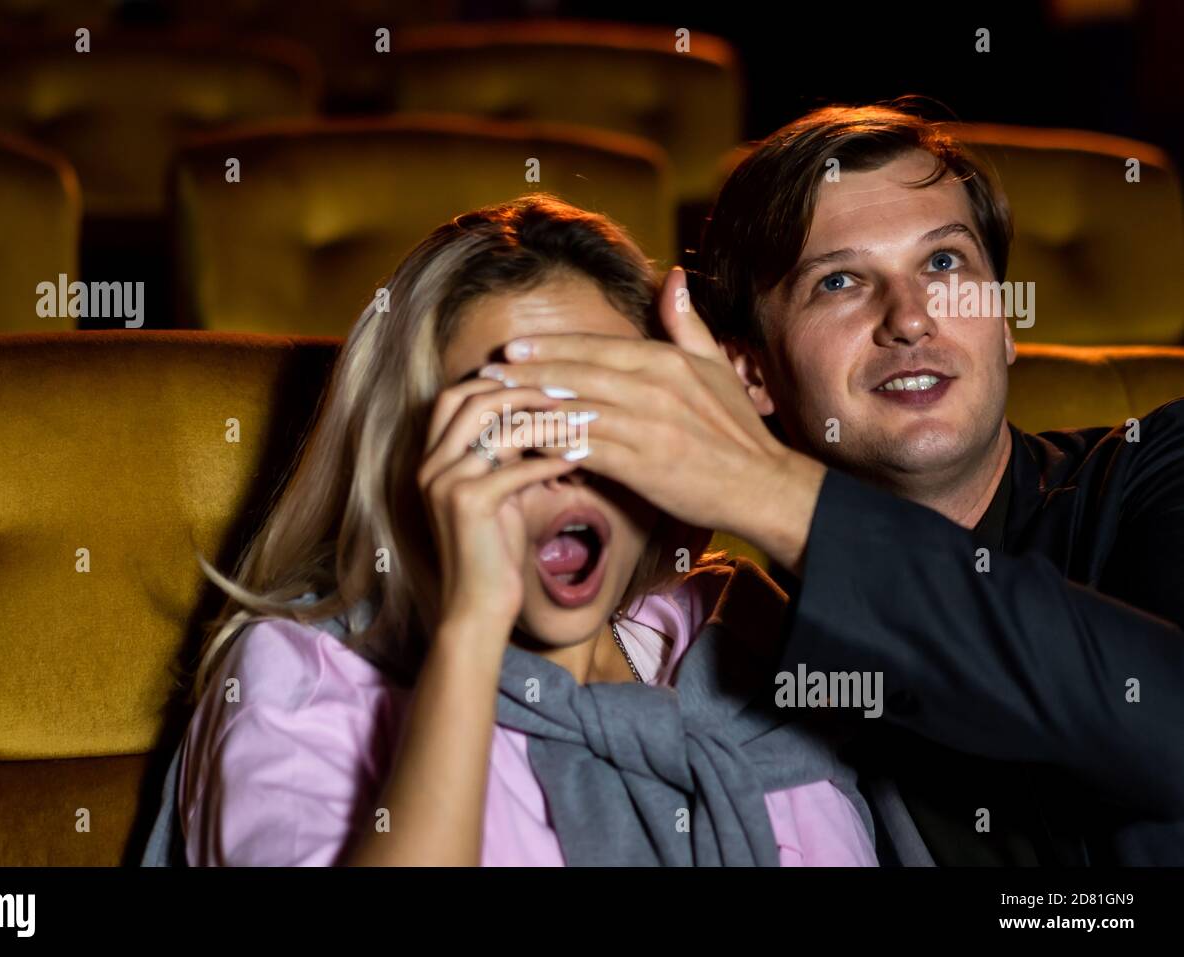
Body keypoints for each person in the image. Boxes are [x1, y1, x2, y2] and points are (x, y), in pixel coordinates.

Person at [483, 103, 1184, 865]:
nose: (911, 319)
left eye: (944, 264)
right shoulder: (727, 637)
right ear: (750, 371)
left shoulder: (1157, 466)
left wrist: (766, 488)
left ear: (1005, 322)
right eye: (841, 280)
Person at [149, 195, 899, 867]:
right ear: (405, 462)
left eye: (602, 411)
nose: (555, 463)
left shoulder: (733, 632)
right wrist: (471, 623)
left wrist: (750, 476)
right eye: (501, 422)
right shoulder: (302, 678)